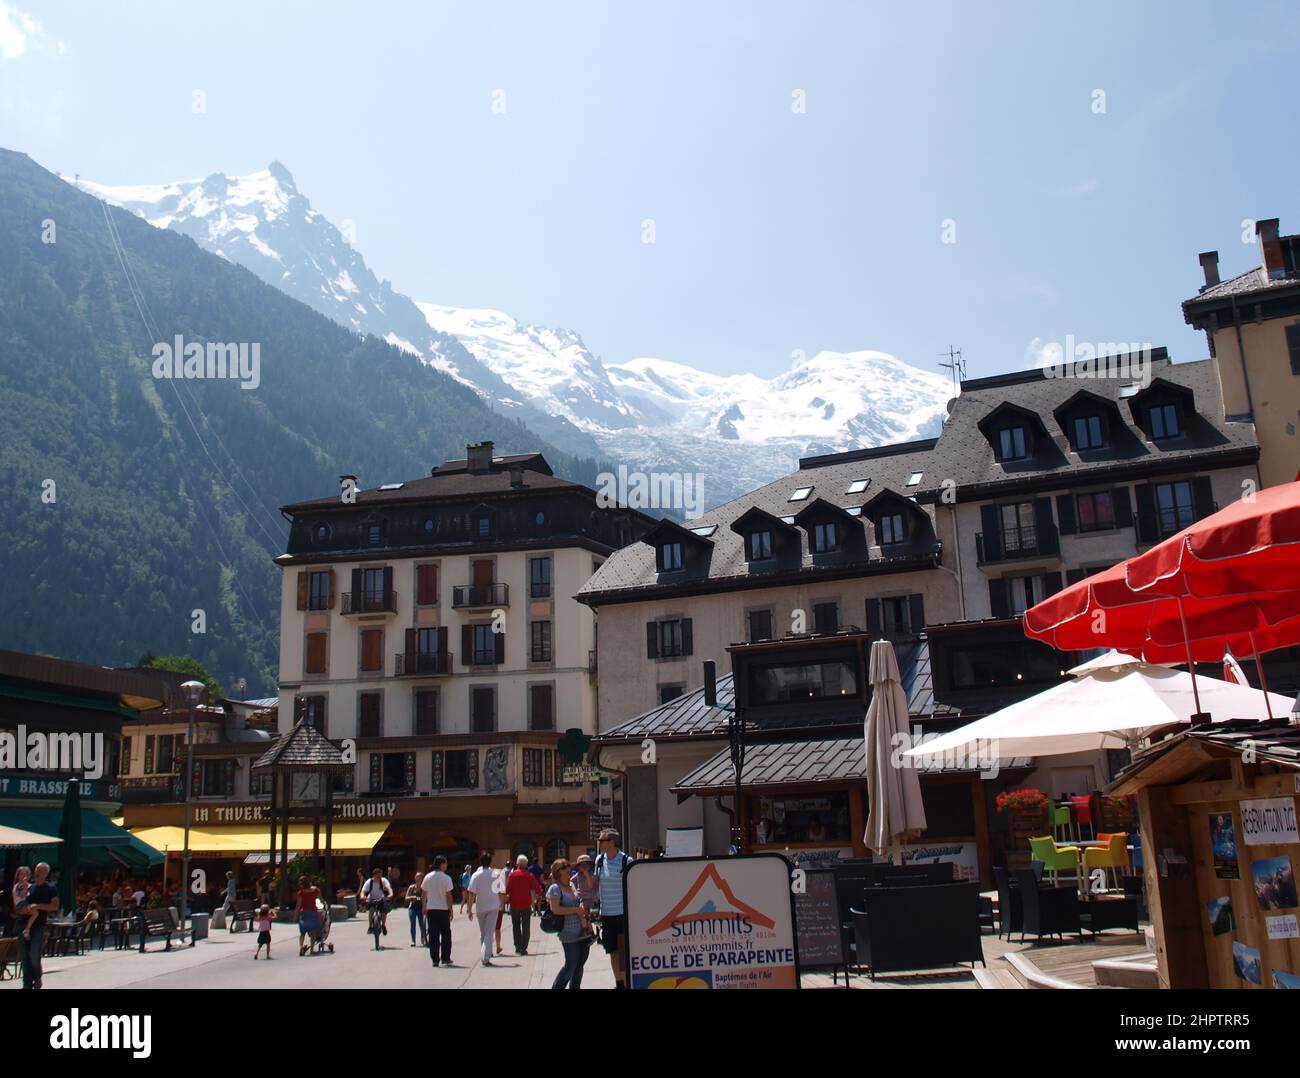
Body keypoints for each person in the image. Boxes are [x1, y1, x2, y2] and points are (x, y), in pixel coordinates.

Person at [594, 829, 634, 989]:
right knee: (612, 951)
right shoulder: (599, 860)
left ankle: (626, 983)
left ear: (611, 842)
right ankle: (619, 984)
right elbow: (596, 884)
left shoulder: (626, 861)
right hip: (606, 914)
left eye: (602, 840)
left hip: (622, 914)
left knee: (623, 953)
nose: (599, 843)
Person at [547, 858, 592, 989]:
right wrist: (576, 910)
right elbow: (555, 909)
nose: (568, 869)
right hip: (568, 932)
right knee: (570, 965)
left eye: (568, 866)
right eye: (564, 867)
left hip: (583, 930)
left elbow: (579, 901)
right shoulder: (555, 888)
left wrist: (583, 911)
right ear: (557, 872)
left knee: (579, 966)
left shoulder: (572, 885)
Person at [18, 862, 59, 989]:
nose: (37, 873)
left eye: (40, 871)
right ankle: (27, 984)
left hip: (38, 925)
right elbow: (21, 903)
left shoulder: (51, 888)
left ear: (46, 873)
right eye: (36, 870)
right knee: (24, 956)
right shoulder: (30, 887)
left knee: (34, 954)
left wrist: (39, 906)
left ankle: (37, 978)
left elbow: (55, 906)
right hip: (24, 924)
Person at [505, 854, 544, 955]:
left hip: (514, 903)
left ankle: (517, 946)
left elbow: (507, 889)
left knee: (516, 925)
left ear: (517, 863)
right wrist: (540, 895)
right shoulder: (528, 875)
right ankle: (523, 947)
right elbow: (537, 888)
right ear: (526, 864)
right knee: (526, 926)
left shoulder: (512, 875)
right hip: (526, 903)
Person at [421, 856, 455, 967]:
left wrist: (424, 907)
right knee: (446, 934)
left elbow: (423, 895)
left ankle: (435, 959)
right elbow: (449, 896)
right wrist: (451, 909)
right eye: (445, 863)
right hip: (443, 909)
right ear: (441, 864)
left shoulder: (427, 877)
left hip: (431, 909)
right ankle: (445, 957)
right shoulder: (446, 878)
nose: (446, 865)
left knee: (433, 935)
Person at [467, 854, 500, 967]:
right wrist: (502, 904)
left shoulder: (476, 875)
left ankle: (485, 954)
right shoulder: (495, 874)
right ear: (490, 862)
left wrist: (469, 908)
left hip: (481, 906)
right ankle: (486, 956)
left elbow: (471, 893)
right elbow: (500, 890)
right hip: (493, 906)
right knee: (489, 932)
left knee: (483, 933)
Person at [360, 868, 393, 939]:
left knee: (384, 910)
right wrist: (363, 896)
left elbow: (388, 888)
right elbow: (363, 891)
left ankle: (383, 925)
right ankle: (370, 926)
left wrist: (390, 894)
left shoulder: (383, 880)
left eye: (380, 876)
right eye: (377, 876)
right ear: (374, 875)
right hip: (371, 898)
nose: (379, 878)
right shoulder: (369, 882)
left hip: (381, 898)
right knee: (371, 909)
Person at [296, 875, 322, 956]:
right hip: (313, 912)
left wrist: (295, 915)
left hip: (304, 913)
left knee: (302, 932)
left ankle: (301, 948)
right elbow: (321, 899)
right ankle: (312, 950)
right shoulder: (315, 890)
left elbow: (298, 905)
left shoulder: (301, 893)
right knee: (313, 932)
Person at [405, 872, 427, 947]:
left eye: (420, 877)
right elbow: (406, 898)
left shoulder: (424, 888)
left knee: (422, 924)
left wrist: (423, 900)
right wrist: (411, 898)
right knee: (413, 923)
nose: (418, 878)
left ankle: (423, 938)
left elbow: (427, 898)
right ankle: (413, 940)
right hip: (412, 908)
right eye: (417, 877)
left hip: (421, 907)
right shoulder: (411, 887)